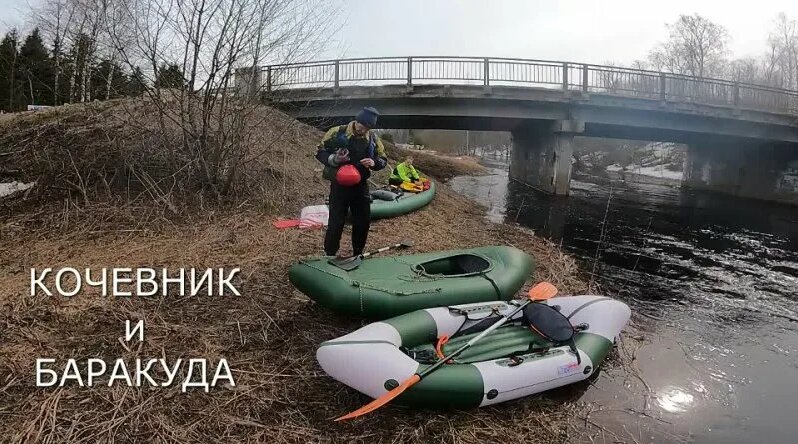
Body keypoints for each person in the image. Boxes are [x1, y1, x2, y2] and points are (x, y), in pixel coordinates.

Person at [315, 107, 388, 257]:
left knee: (362, 222)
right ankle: (330, 254)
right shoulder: (337, 132)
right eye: (362, 125)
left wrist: (375, 163)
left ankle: (357, 252)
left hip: (360, 186)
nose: (363, 129)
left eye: (368, 127)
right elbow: (319, 152)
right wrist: (334, 159)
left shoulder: (373, 138)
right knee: (336, 222)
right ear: (357, 121)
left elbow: (383, 159)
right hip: (339, 185)